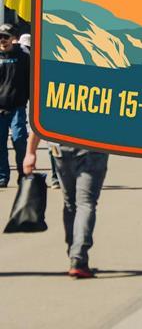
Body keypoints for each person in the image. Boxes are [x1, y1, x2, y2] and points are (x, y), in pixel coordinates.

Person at [24, 133, 107, 278]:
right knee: (85, 202)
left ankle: (74, 251)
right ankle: (78, 257)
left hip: (62, 148)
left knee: (71, 203)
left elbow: (39, 115)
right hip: (93, 146)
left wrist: (30, 152)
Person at [0, 23, 30, 188]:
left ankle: (23, 174)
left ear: (14, 39)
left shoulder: (24, 57)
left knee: (19, 140)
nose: (3, 40)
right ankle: (2, 177)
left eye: (6, 36)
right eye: (0, 37)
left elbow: (31, 81)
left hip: (17, 107)